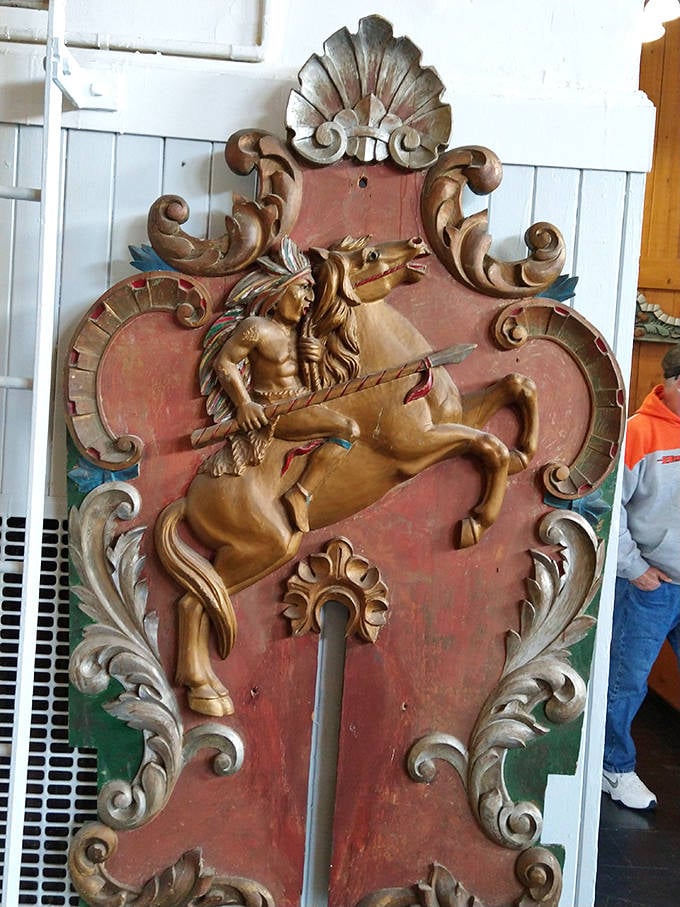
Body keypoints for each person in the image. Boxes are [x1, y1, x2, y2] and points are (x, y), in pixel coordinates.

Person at [204, 237, 359, 533]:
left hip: (301, 400)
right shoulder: (256, 329)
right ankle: (300, 494)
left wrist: (314, 355)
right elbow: (224, 363)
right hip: (275, 408)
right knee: (348, 429)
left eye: (311, 291)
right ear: (278, 291)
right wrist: (243, 404)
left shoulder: (300, 332)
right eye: (303, 288)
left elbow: (312, 380)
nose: (309, 298)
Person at [602, 342, 680, 810]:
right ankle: (615, 767)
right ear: (674, 384)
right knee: (627, 681)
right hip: (651, 586)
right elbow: (610, 510)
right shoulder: (639, 433)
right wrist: (634, 568)